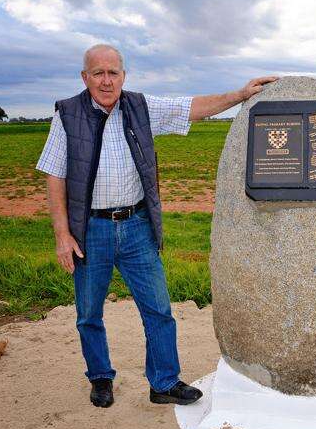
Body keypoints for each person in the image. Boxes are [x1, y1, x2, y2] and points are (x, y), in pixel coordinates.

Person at [36, 43, 277, 408]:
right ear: (85, 77)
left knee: (158, 309)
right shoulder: (66, 115)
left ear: (123, 76)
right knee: (88, 313)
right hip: (91, 231)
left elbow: (191, 108)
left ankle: (163, 382)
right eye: (98, 73)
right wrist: (62, 235)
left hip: (136, 226)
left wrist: (240, 95)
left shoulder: (140, 107)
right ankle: (101, 378)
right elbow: (55, 176)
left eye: (112, 72)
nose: (106, 80)